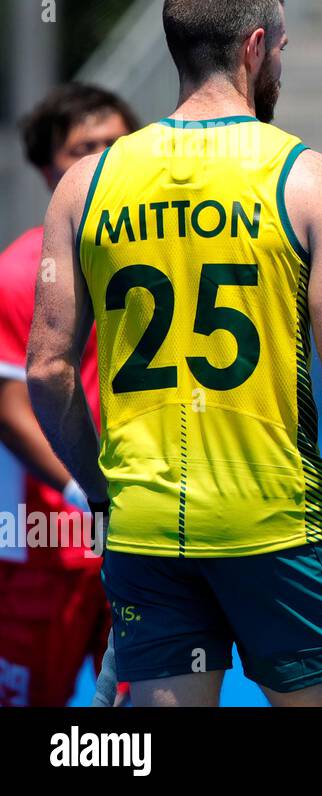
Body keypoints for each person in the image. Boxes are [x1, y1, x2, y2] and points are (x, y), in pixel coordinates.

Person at [27, 0, 322, 707]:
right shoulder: (311, 179)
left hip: (145, 527)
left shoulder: (87, 182)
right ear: (256, 46)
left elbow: (47, 370)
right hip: (275, 520)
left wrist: (105, 495)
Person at [0, 83, 137, 706]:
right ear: (45, 165)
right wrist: (88, 491)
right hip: (41, 552)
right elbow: (9, 412)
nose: (106, 157)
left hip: (143, 548)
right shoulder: (20, 271)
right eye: (86, 147)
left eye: (118, 141)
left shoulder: (166, 260)